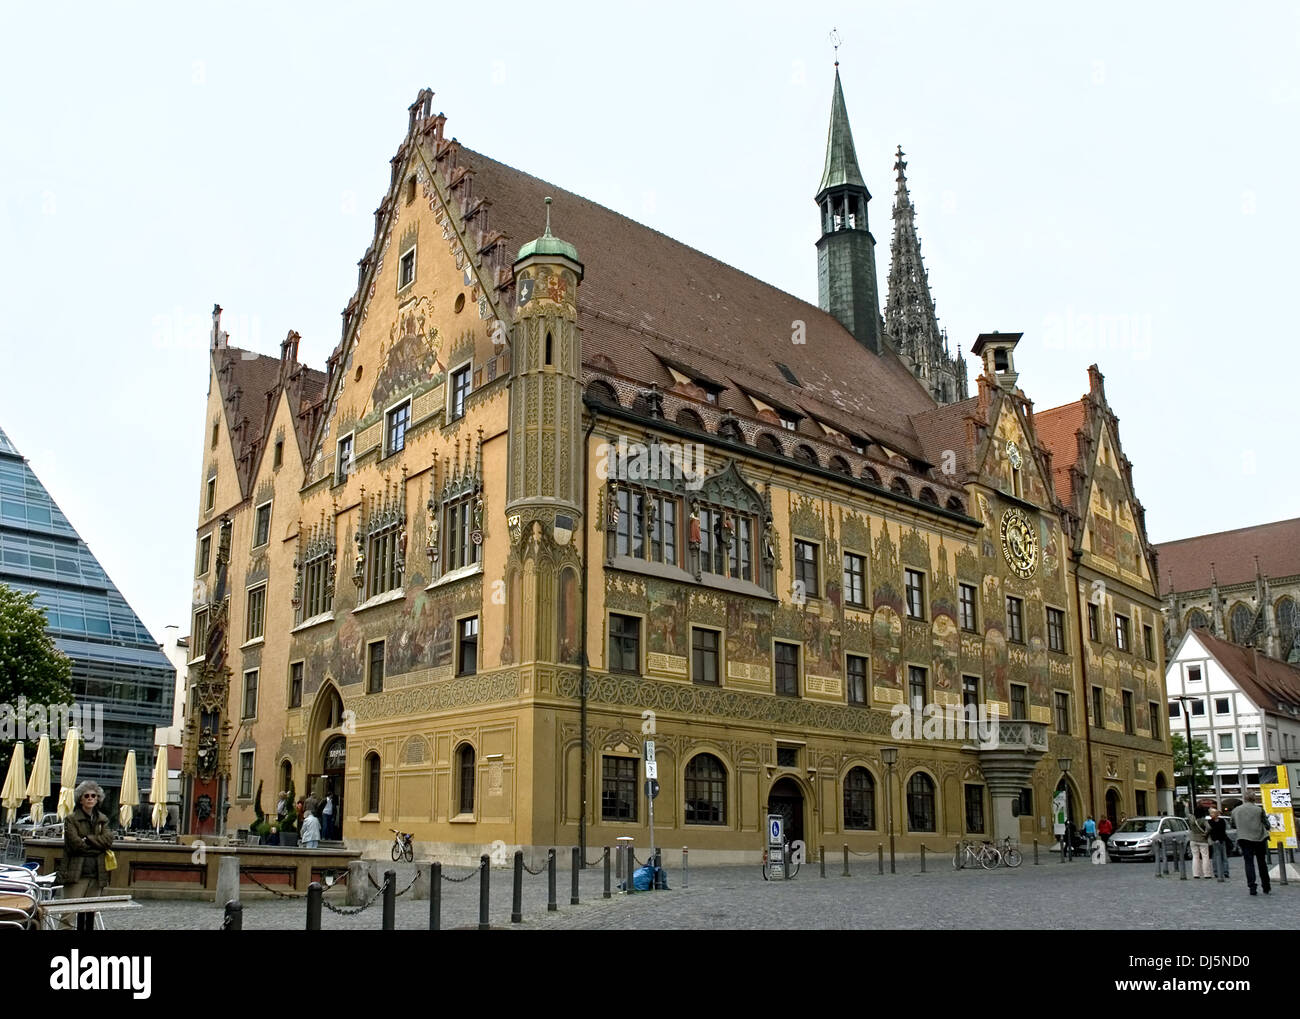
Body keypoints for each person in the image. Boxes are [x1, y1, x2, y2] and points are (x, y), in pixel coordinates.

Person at [58, 780, 115, 930]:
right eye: (87, 796)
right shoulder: (71, 819)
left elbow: (108, 841)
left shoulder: (102, 819)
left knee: (90, 913)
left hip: (97, 873)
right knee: (68, 915)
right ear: (80, 799)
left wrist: (88, 839)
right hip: (76, 873)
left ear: (98, 799)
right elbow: (75, 845)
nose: (90, 798)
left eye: (93, 796)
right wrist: (98, 845)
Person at [1231, 792, 1271, 895]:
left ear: (1244, 798)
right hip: (1259, 838)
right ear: (1254, 799)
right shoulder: (1259, 809)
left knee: (1248, 863)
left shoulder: (1236, 810)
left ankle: (1252, 887)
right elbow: (1267, 824)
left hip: (1244, 838)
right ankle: (1266, 886)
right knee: (1262, 862)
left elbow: (1232, 824)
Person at [1207, 806, 1230, 880]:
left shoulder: (1222, 821)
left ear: (1216, 814)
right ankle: (1216, 872)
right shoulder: (1209, 822)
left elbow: (1223, 831)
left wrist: (1220, 839)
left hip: (1222, 840)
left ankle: (1226, 872)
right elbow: (1210, 832)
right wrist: (1214, 839)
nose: (1210, 815)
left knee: (1224, 857)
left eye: (1212, 813)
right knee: (1215, 857)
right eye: (1210, 813)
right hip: (1214, 841)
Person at [1188, 811, 1212, 878]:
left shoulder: (1191, 818)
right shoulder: (1203, 820)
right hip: (1202, 840)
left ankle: (1196, 874)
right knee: (1205, 857)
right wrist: (1206, 833)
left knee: (1195, 857)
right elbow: (1209, 827)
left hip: (1193, 839)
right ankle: (1207, 874)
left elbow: (1187, 813)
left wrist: (1186, 806)